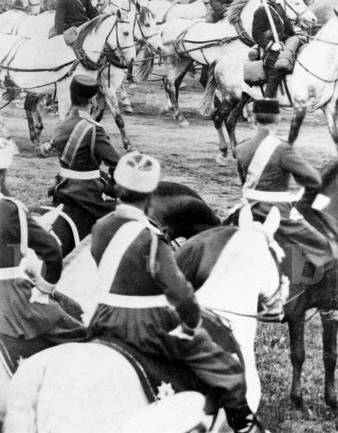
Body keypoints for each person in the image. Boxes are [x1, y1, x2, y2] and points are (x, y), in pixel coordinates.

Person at [89, 152, 263, 433]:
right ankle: (242, 420)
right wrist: (192, 324)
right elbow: (180, 293)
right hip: (146, 325)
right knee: (222, 363)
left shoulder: (100, 227)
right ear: (150, 196)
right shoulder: (150, 239)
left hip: (102, 318)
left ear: (118, 188)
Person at [235, 99, 338, 323]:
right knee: (327, 250)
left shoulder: (241, 148)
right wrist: (299, 198)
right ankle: (331, 308)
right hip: (278, 214)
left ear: (253, 118)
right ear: (277, 119)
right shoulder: (282, 149)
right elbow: (314, 180)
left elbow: (245, 182)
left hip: (247, 211)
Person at [0, 137, 88, 348]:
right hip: (8, 298)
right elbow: (52, 250)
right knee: (80, 334)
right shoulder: (11, 209)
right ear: (3, 174)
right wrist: (44, 288)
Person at [42, 74, 122, 236]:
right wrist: (111, 188)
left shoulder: (62, 124)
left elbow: (47, 149)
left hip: (62, 188)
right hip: (87, 195)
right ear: (92, 100)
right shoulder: (93, 129)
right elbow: (118, 163)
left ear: (71, 95)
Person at [251, 0, 301, 98]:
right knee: (275, 71)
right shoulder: (261, 11)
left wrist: (295, 31)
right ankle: (267, 102)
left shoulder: (278, 7)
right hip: (271, 50)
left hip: (285, 44)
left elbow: (287, 26)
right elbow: (256, 34)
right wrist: (270, 45)